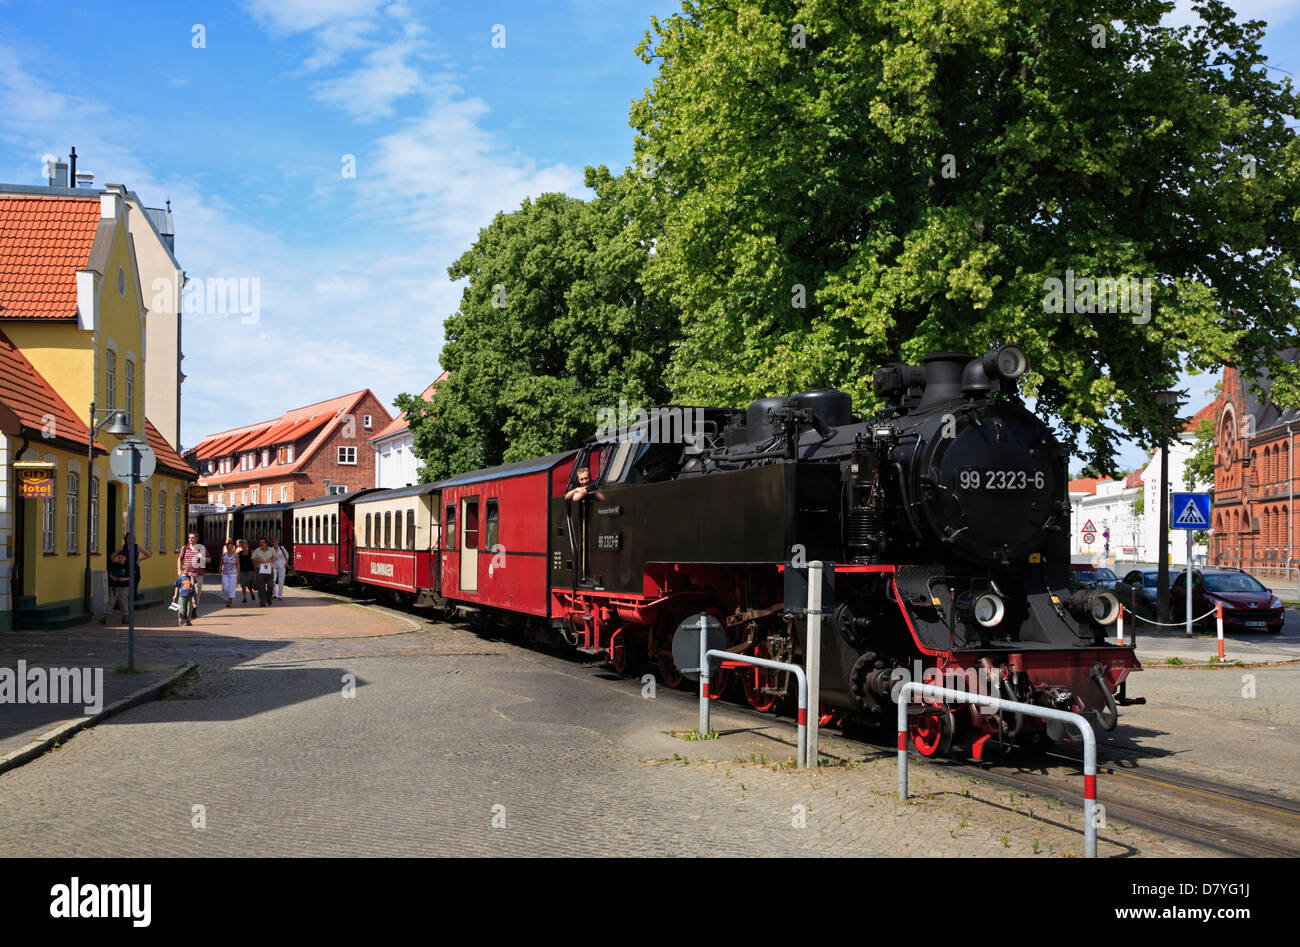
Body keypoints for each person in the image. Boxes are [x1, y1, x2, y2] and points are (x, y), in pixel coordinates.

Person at [178, 533, 207, 617]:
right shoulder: (184, 548)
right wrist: (179, 570)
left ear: (197, 539)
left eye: (193, 538)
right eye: (189, 537)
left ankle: (194, 609)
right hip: (186, 575)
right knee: (185, 592)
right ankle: (185, 611)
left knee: (197, 593)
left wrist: (202, 557)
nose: (190, 539)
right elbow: (180, 559)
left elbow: (209, 560)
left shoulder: (201, 548)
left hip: (198, 574)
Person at [120, 534, 152, 602]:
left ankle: (132, 605)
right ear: (125, 539)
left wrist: (139, 559)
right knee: (125, 588)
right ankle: (126, 605)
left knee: (134, 587)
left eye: (131, 538)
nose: (129, 540)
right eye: (128, 538)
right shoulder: (123, 547)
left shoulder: (136, 547)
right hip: (125, 569)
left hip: (135, 569)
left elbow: (148, 555)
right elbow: (114, 555)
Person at [101, 551, 130, 625]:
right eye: (119, 558)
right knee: (111, 600)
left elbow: (131, 576)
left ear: (125, 558)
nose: (120, 559)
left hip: (124, 587)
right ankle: (105, 617)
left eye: (122, 558)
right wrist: (113, 577)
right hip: (114, 586)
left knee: (123, 601)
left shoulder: (127, 566)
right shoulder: (115, 565)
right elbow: (110, 574)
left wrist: (124, 579)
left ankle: (125, 617)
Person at [251, 538, 276, 607]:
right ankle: (262, 602)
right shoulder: (257, 550)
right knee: (261, 587)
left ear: (266, 543)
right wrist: (258, 561)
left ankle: (269, 598)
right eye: (260, 542)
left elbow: (276, 557)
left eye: (263, 542)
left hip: (269, 569)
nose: (261, 544)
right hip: (260, 570)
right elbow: (252, 558)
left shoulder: (271, 550)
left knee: (270, 585)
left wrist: (270, 560)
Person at [219, 541, 239, 607]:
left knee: (231, 587)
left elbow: (238, 565)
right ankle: (229, 596)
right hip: (225, 574)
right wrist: (219, 573)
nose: (229, 548)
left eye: (231, 547)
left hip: (233, 574)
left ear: (233, 547)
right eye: (228, 547)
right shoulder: (224, 555)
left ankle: (229, 601)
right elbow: (221, 564)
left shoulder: (235, 555)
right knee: (225, 588)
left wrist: (239, 574)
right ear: (226, 548)